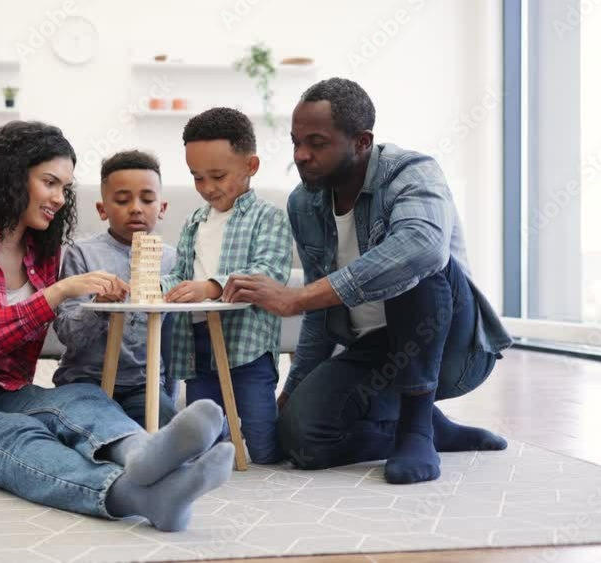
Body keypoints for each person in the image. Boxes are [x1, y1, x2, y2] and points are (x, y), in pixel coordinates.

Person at [0, 121, 234, 532]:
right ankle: (132, 494)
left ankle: (144, 455)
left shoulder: (40, 250)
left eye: (64, 188)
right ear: (11, 175)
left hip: (2, 391)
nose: (59, 199)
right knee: (18, 434)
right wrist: (58, 292)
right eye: (50, 183)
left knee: (80, 397)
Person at [223, 78, 514, 484]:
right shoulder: (304, 203)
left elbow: (423, 248)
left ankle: (416, 429)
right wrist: (291, 396)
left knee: (415, 266)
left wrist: (298, 298)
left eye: (317, 143)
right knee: (301, 441)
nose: (301, 156)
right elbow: (320, 315)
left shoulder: (413, 172)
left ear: (361, 142)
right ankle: (429, 427)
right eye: (295, 142)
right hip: (374, 351)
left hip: (449, 347)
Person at [162, 108, 293, 464]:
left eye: (217, 176)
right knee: (205, 434)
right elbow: (182, 274)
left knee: (263, 449)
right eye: (197, 177)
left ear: (251, 166)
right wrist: (155, 286)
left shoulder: (269, 218)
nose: (207, 188)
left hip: (246, 348)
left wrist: (211, 287)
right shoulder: (194, 221)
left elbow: (269, 272)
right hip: (197, 344)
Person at [53, 150, 179, 429]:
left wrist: (168, 394)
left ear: (162, 208)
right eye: (122, 200)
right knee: (90, 426)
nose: (136, 208)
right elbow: (67, 334)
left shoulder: (172, 260)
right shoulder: (81, 255)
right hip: (85, 380)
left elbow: (172, 336)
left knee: (165, 424)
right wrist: (99, 308)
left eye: (147, 200)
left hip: (142, 385)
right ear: (102, 209)